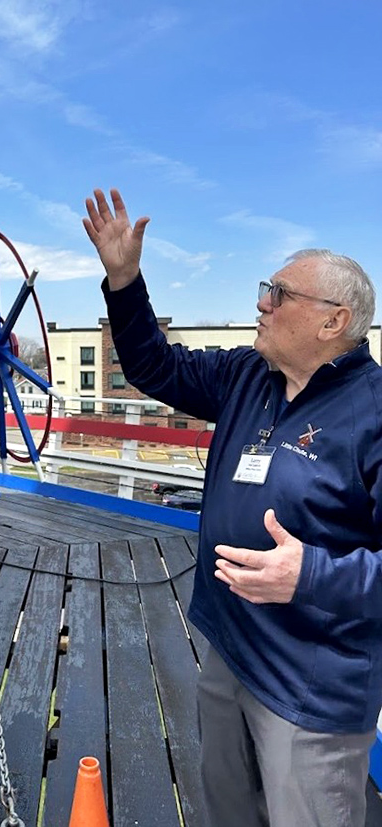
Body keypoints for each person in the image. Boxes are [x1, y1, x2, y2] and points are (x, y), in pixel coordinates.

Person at [84, 188, 381, 827]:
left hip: (310, 684)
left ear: (334, 321)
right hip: (228, 645)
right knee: (226, 809)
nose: (260, 303)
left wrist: (310, 576)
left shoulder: (374, 415)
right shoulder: (249, 375)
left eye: (278, 293)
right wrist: (125, 280)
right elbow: (154, 366)